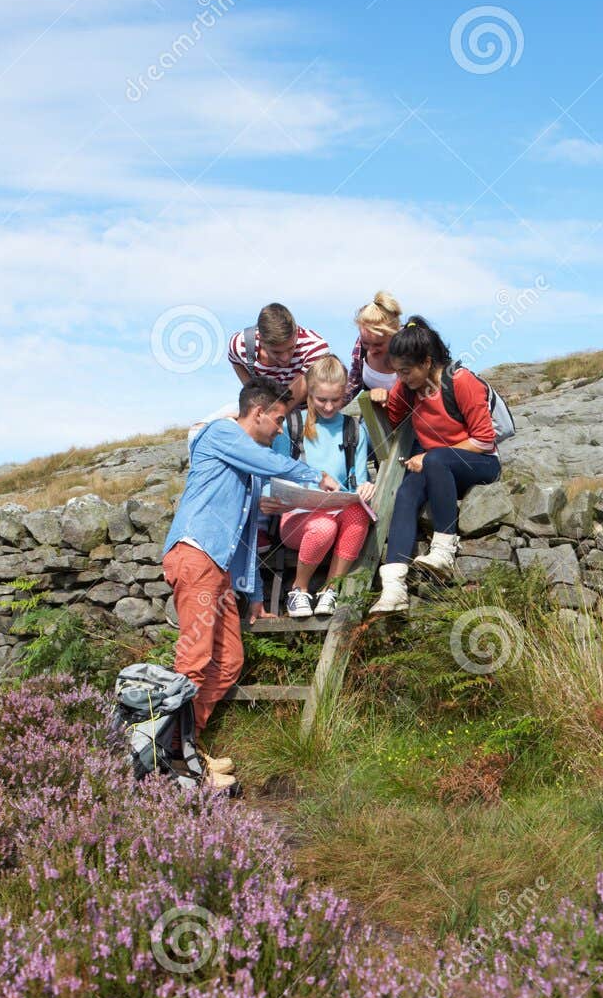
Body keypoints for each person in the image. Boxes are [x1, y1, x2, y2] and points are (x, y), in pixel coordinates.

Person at [163, 377, 339, 785]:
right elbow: (274, 463)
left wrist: (255, 595)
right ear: (257, 413)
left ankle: (186, 745)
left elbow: (245, 537)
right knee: (195, 658)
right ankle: (174, 760)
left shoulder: (248, 467)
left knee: (228, 662)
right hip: (197, 554)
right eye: (278, 420)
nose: (281, 430)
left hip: (221, 569)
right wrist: (316, 475)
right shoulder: (221, 433)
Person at [370, 316, 500, 614]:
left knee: (438, 457)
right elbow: (393, 420)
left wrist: (429, 457)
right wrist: (380, 398)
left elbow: (484, 441)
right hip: (435, 467)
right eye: (397, 372)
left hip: (478, 464)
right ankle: (394, 587)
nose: (401, 378)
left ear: (427, 362)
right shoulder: (406, 390)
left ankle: (444, 550)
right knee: (405, 494)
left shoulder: (461, 382)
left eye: (406, 371)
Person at [269, 356, 374, 618]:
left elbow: (359, 477)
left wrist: (365, 488)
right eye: (321, 400)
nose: (329, 407)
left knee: (359, 514)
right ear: (310, 393)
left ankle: (331, 588)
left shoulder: (353, 429)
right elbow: (273, 473)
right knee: (323, 526)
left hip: (339, 509)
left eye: (336, 400)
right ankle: (299, 589)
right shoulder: (291, 426)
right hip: (298, 518)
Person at [227, 303, 330, 408]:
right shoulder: (241, 345)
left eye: (290, 348)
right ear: (261, 340)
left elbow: (287, 403)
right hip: (264, 408)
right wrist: (255, 397)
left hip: (304, 410)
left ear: (295, 334)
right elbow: (236, 362)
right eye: (276, 352)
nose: (285, 358)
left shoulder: (314, 348)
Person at [344, 291, 402, 402]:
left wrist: (389, 396)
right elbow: (354, 382)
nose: (371, 350)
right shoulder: (360, 348)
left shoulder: (410, 346)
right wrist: (332, 403)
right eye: (366, 343)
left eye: (378, 344)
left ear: (394, 333)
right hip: (375, 415)